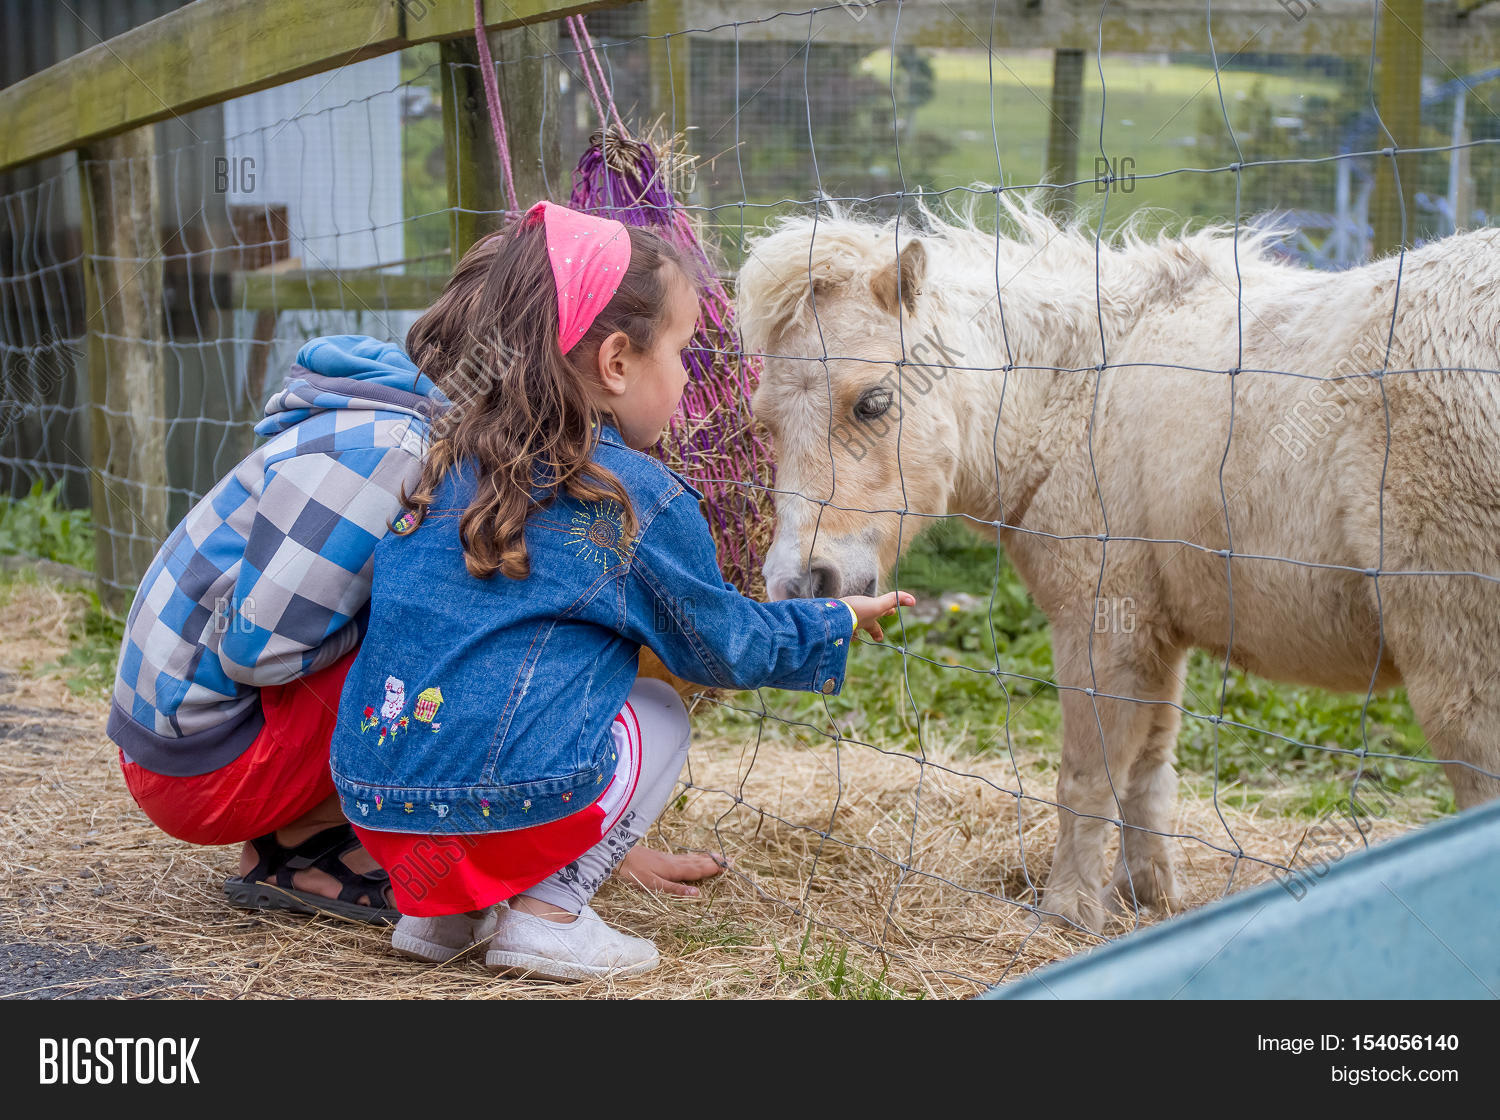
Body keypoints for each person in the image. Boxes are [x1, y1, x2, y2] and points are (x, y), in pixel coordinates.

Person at [332, 200, 912, 980]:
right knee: (662, 709)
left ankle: (445, 920)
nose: (687, 376)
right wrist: (829, 619)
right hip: (504, 807)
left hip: (378, 807)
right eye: (681, 350)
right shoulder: (636, 498)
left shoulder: (437, 470)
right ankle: (549, 915)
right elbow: (723, 648)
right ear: (615, 364)